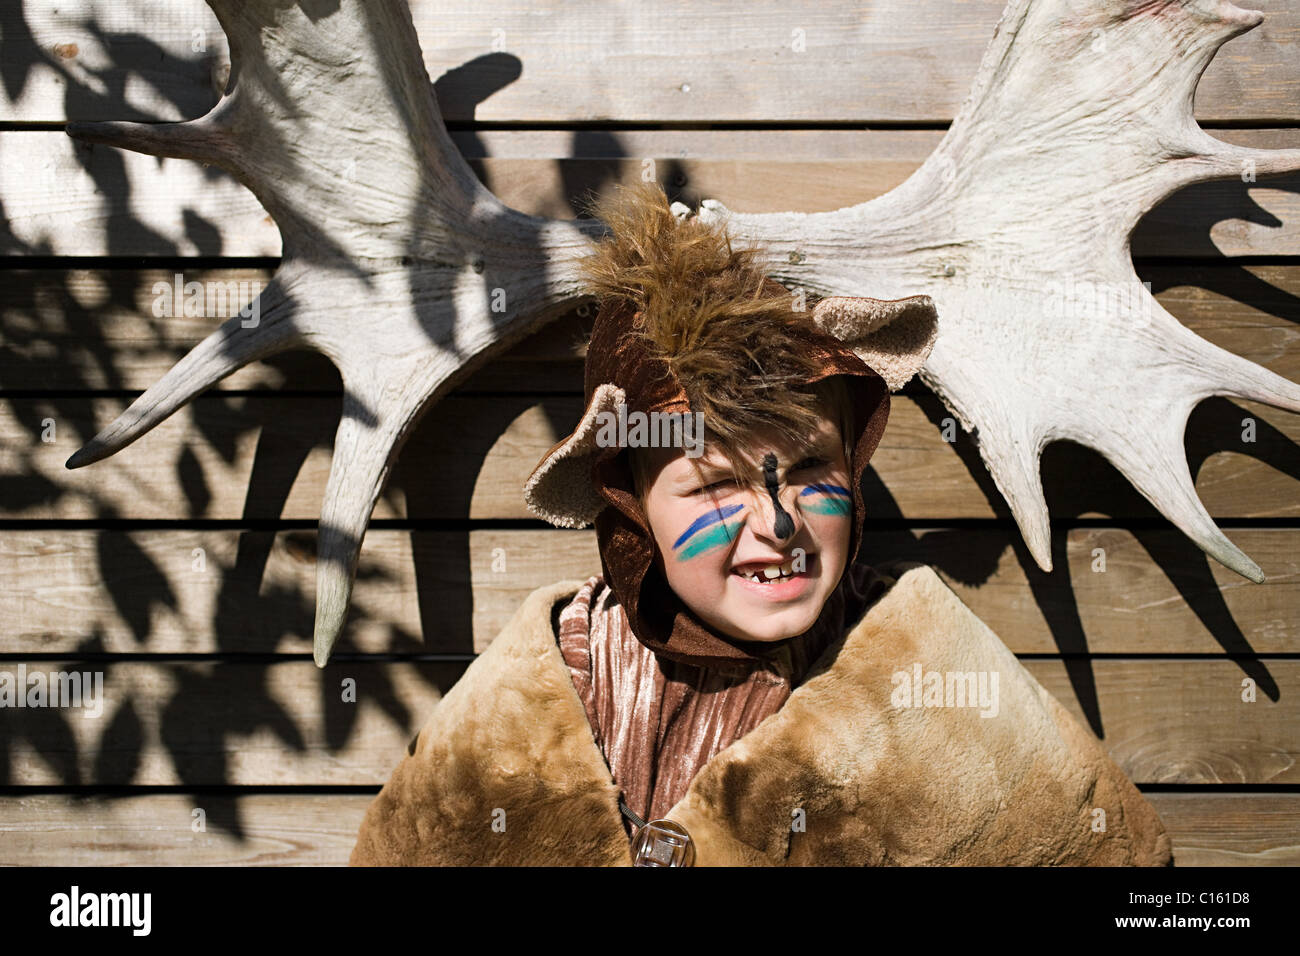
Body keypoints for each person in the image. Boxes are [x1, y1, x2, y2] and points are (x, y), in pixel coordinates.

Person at [349, 181, 1172, 866]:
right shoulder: (540, 696)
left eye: (812, 471)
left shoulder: (935, 686)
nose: (778, 525)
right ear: (632, 511)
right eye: (711, 489)